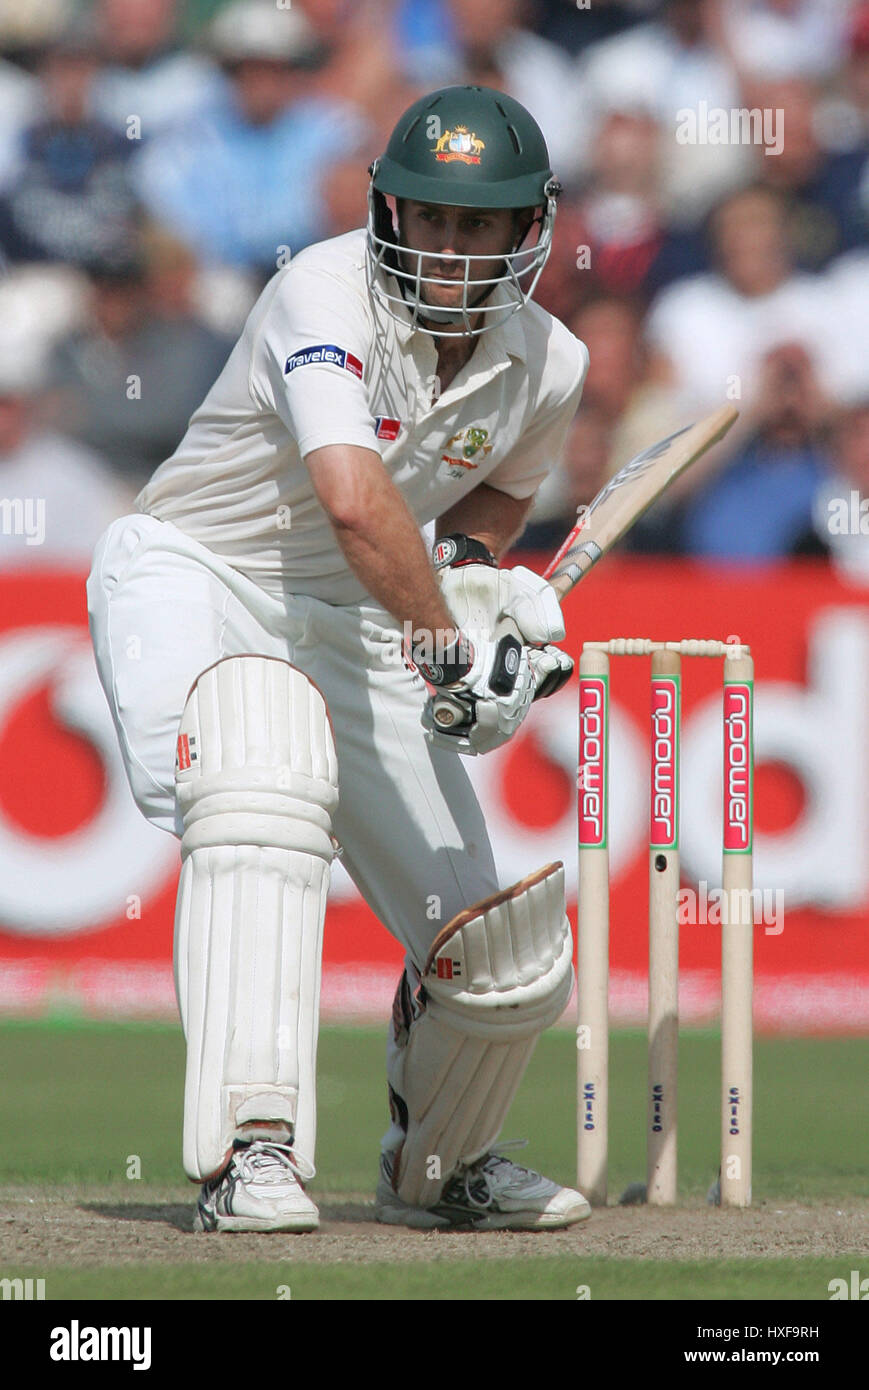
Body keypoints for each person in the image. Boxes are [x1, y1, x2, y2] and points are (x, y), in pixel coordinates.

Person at [87, 85, 591, 1233]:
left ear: (528, 229)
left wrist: (475, 587)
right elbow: (356, 503)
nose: (451, 249)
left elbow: (498, 493)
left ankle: (440, 1168)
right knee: (257, 779)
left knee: (502, 951)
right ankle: (249, 1154)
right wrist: (448, 647)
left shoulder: (548, 364)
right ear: (389, 213)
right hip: (199, 573)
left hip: (351, 612)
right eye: (431, 219)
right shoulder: (320, 289)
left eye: (479, 225)